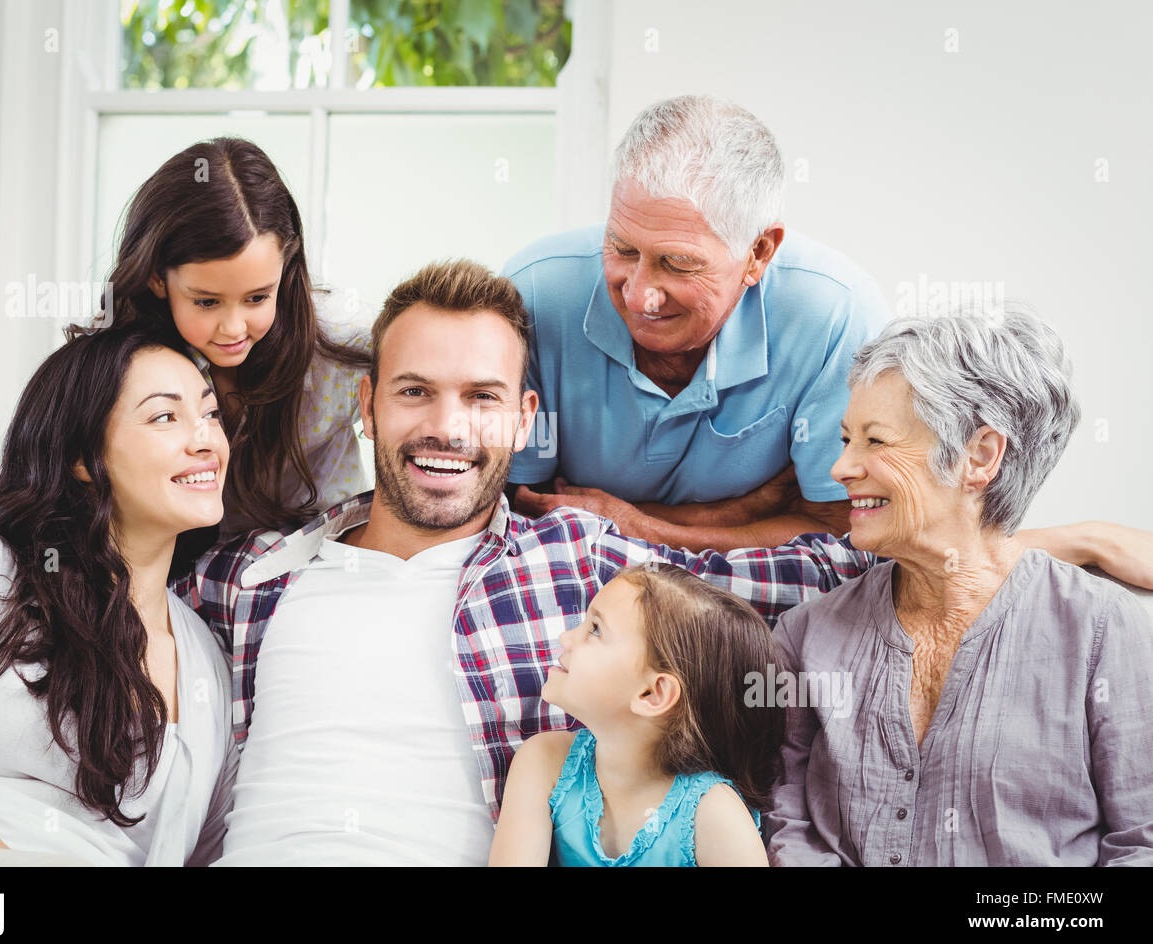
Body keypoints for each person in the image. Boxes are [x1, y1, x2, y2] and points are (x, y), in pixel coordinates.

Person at [0, 262, 1142, 866]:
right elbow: (82, 558)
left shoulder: (580, 554)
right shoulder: (239, 576)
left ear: (527, 420)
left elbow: (837, 565)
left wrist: (1033, 540)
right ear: (366, 410)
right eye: (414, 390)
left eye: (483, 396)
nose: (445, 425)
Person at [0, 136, 372, 650]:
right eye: (207, 300)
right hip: (162, 596)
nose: (233, 327)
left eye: (258, 297)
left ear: (287, 271)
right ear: (155, 279)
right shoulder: (126, 365)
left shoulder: (343, 357)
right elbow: (40, 492)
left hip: (304, 589)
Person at [764, 305, 1153, 866]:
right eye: (847, 439)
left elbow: (1142, 844)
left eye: (875, 441)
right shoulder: (806, 635)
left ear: (979, 456)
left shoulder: (1101, 630)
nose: (841, 468)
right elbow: (786, 823)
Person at [0, 323, 238, 866]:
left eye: (210, 414)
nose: (204, 439)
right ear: (83, 458)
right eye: (164, 417)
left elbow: (209, 851)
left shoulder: (208, 662)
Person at [505, 94, 889, 551]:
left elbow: (841, 529)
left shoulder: (836, 315)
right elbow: (521, 512)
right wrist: (739, 513)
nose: (639, 294)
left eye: (678, 263)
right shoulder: (531, 295)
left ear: (758, 253)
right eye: (623, 248)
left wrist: (637, 526)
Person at [489, 564, 778, 867]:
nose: (566, 637)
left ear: (651, 694)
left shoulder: (716, 816)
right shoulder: (543, 761)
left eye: (595, 629)